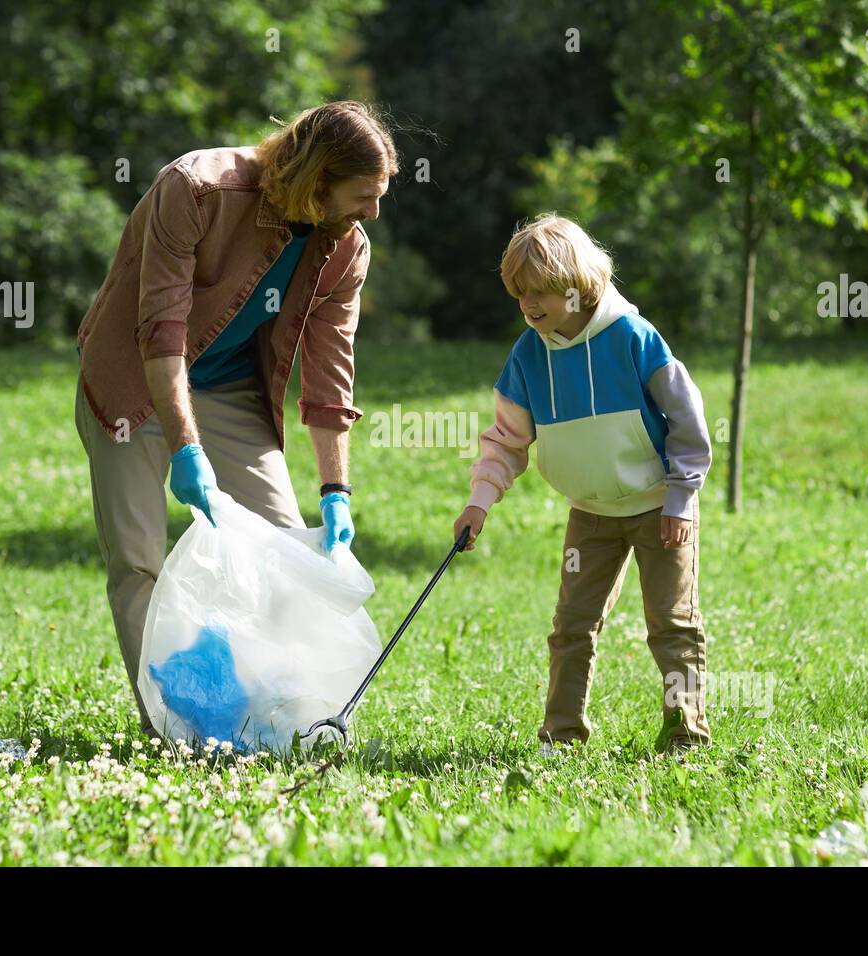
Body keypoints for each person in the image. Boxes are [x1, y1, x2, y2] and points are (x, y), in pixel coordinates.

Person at [75, 101, 396, 737]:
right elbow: (160, 333)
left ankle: (262, 718)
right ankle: (179, 732)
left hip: (228, 390)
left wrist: (337, 494)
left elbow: (329, 377)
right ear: (317, 180)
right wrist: (185, 450)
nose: (373, 213)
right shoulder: (196, 189)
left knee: (286, 553)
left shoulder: (345, 247)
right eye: (363, 195)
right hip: (133, 380)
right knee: (138, 562)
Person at [452, 214, 713, 754]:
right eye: (519, 293)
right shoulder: (528, 355)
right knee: (571, 627)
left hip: (658, 508)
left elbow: (688, 421)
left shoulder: (633, 338)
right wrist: (479, 502)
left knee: (671, 624)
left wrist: (681, 499)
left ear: (576, 283)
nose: (528, 305)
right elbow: (505, 440)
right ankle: (561, 735)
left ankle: (686, 732)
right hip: (590, 514)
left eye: (540, 291)